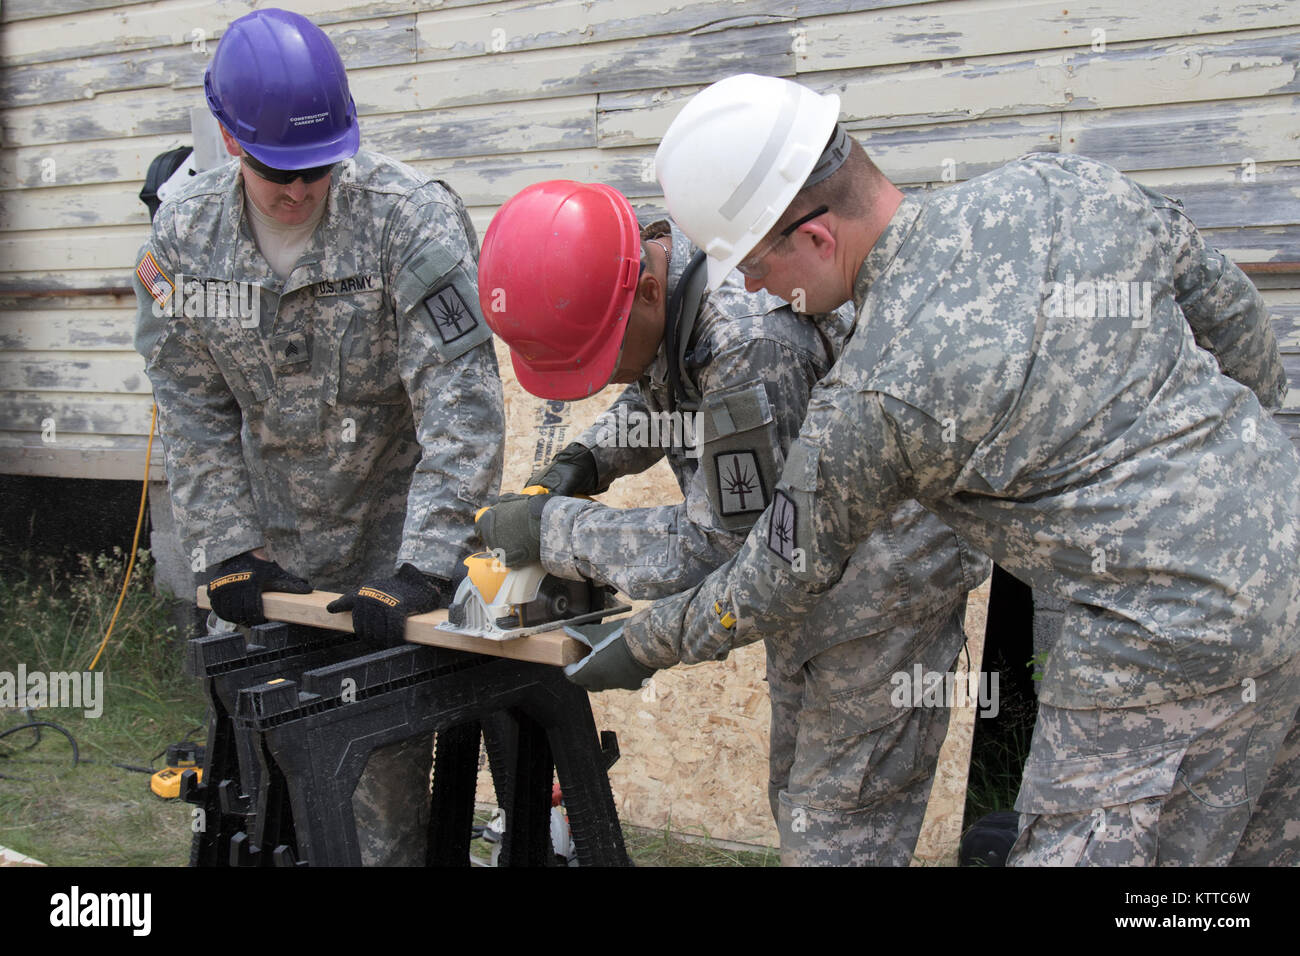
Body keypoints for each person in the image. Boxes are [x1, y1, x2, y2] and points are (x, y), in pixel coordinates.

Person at [619, 73, 1300, 866]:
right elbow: (1232, 312)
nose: (747, 287)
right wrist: (1237, 471)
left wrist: (643, 645)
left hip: (1158, 643)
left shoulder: (878, 392)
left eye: (756, 267)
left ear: (814, 238)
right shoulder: (1063, 184)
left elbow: (773, 578)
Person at [472, 180, 989, 864]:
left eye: (601, 360)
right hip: (802, 590)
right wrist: (582, 461)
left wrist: (553, 531)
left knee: (838, 836)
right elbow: (672, 392)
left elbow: (720, 543)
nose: (601, 380)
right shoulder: (670, 277)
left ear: (647, 293)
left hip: (879, 599)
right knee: (798, 804)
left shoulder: (750, 339)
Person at [132, 8, 504, 865]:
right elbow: (191, 404)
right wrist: (225, 548)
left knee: (379, 822)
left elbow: (463, 404)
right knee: (263, 808)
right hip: (265, 573)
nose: (300, 191)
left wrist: (426, 565)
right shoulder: (185, 240)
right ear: (228, 137)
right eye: (275, 171)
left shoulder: (407, 220)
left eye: (317, 168)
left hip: (387, 574)